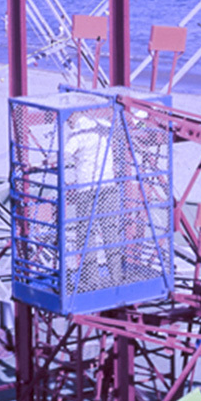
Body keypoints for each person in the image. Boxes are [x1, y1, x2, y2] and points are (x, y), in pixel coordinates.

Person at [63, 113, 122, 289]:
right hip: (108, 185)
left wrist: (44, 162)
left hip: (86, 189)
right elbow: (119, 135)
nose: (68, 123)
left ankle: (91, 279)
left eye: (68, 120)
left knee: (86, 235)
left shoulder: (76, 136)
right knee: (110, 232)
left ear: (73, 117)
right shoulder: (103, 124)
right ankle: (116, 278)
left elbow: (64, 156)